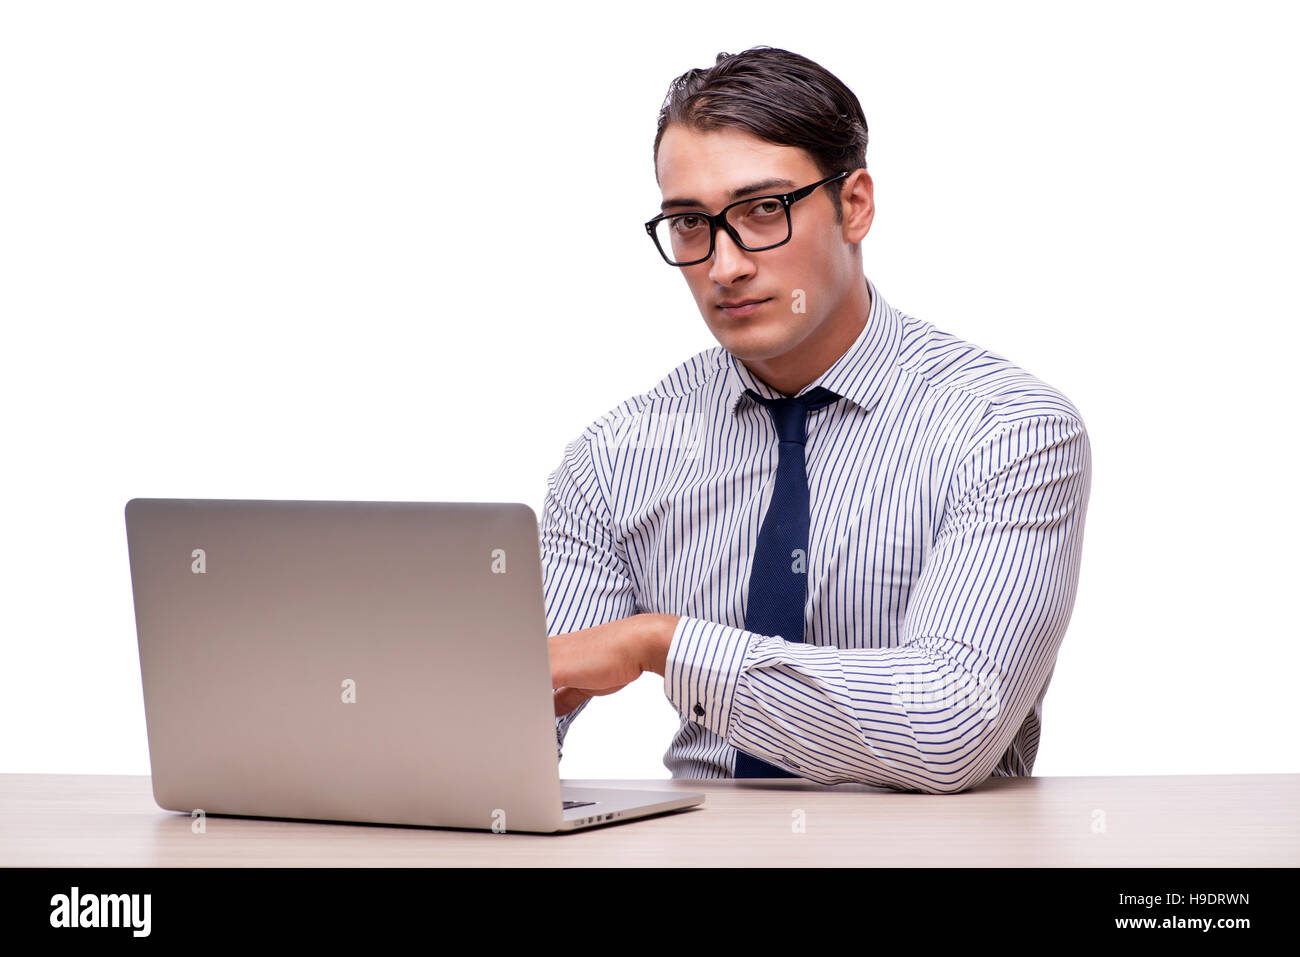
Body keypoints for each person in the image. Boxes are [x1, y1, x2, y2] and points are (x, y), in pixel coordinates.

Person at [542, 45, 1091, 794]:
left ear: (854, 204)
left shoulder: (1007, 431)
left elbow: (950, 725)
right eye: (690, 223)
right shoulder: (616, 457)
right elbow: (517, 709)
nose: (724, 265)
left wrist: (662, 644)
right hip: (703, 845)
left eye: (763, 210)